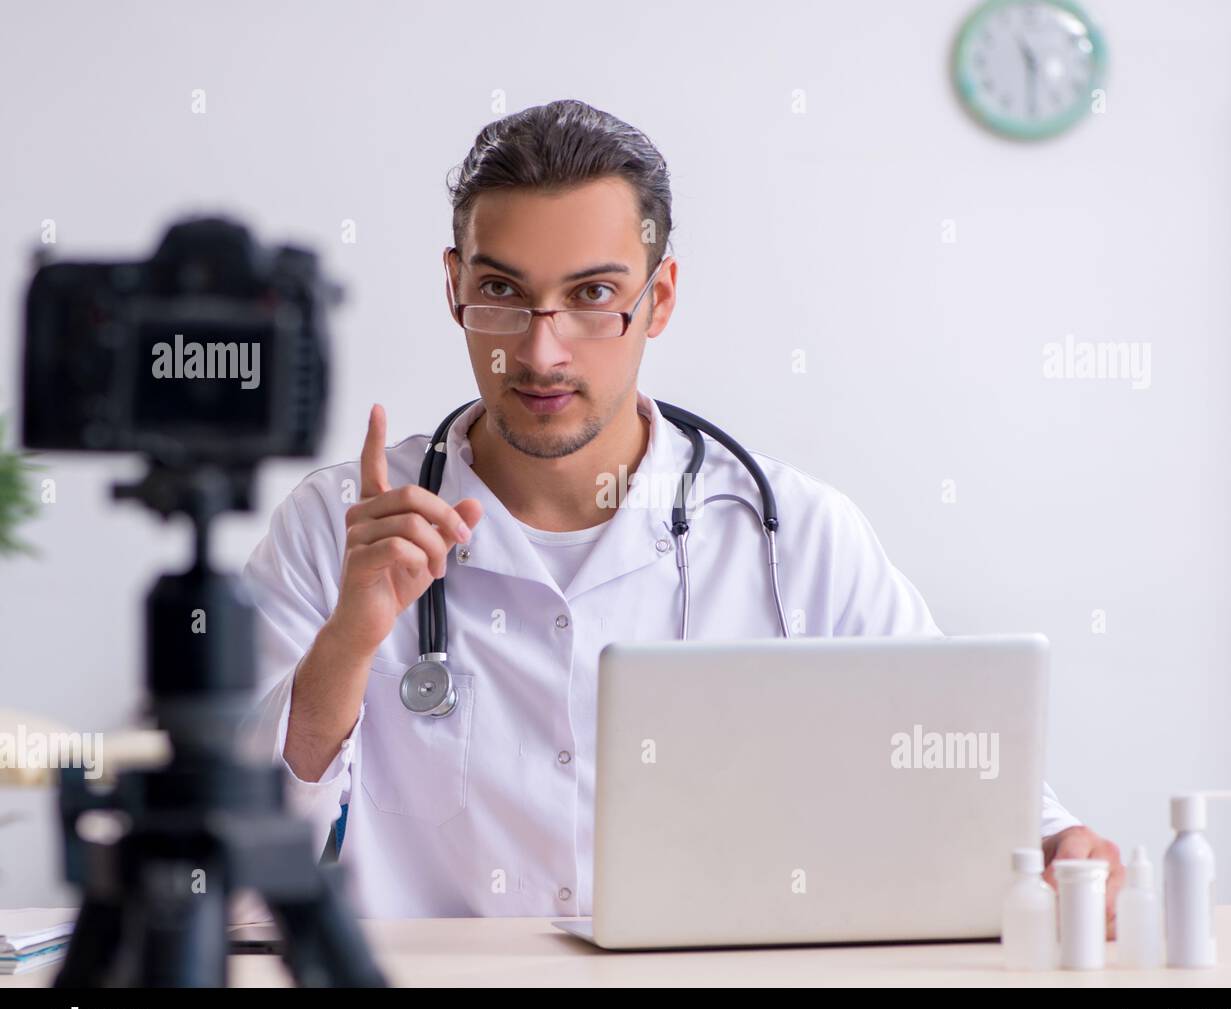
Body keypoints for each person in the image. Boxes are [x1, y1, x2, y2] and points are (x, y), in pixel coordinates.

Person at [240, 99, 1124, 933]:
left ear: (658, 299)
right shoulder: (340, 527)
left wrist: (1054, 847)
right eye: (505, 291)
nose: (541, 352)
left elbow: (955, 766)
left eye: (592, 295)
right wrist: (350, 642)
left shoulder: (796, 538)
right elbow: (235, 859)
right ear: (454, 286)